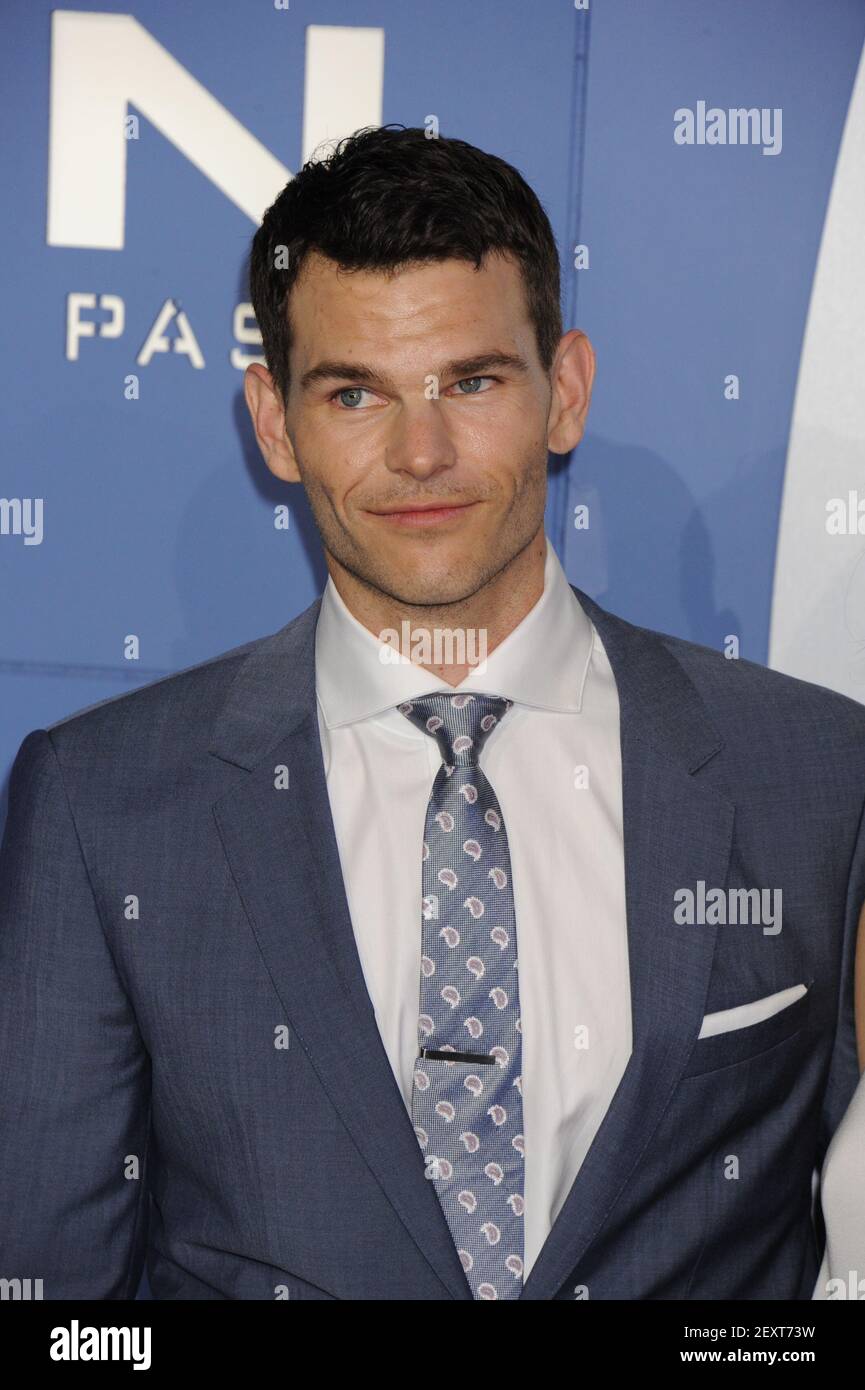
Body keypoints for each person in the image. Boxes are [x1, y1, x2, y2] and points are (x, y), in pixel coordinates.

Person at [0, 124, 863, 1301]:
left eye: (471, 381)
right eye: (354, 392)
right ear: (274, 423)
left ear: (563, 394)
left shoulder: (816, 772)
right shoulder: (105, 806)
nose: (421, 452)